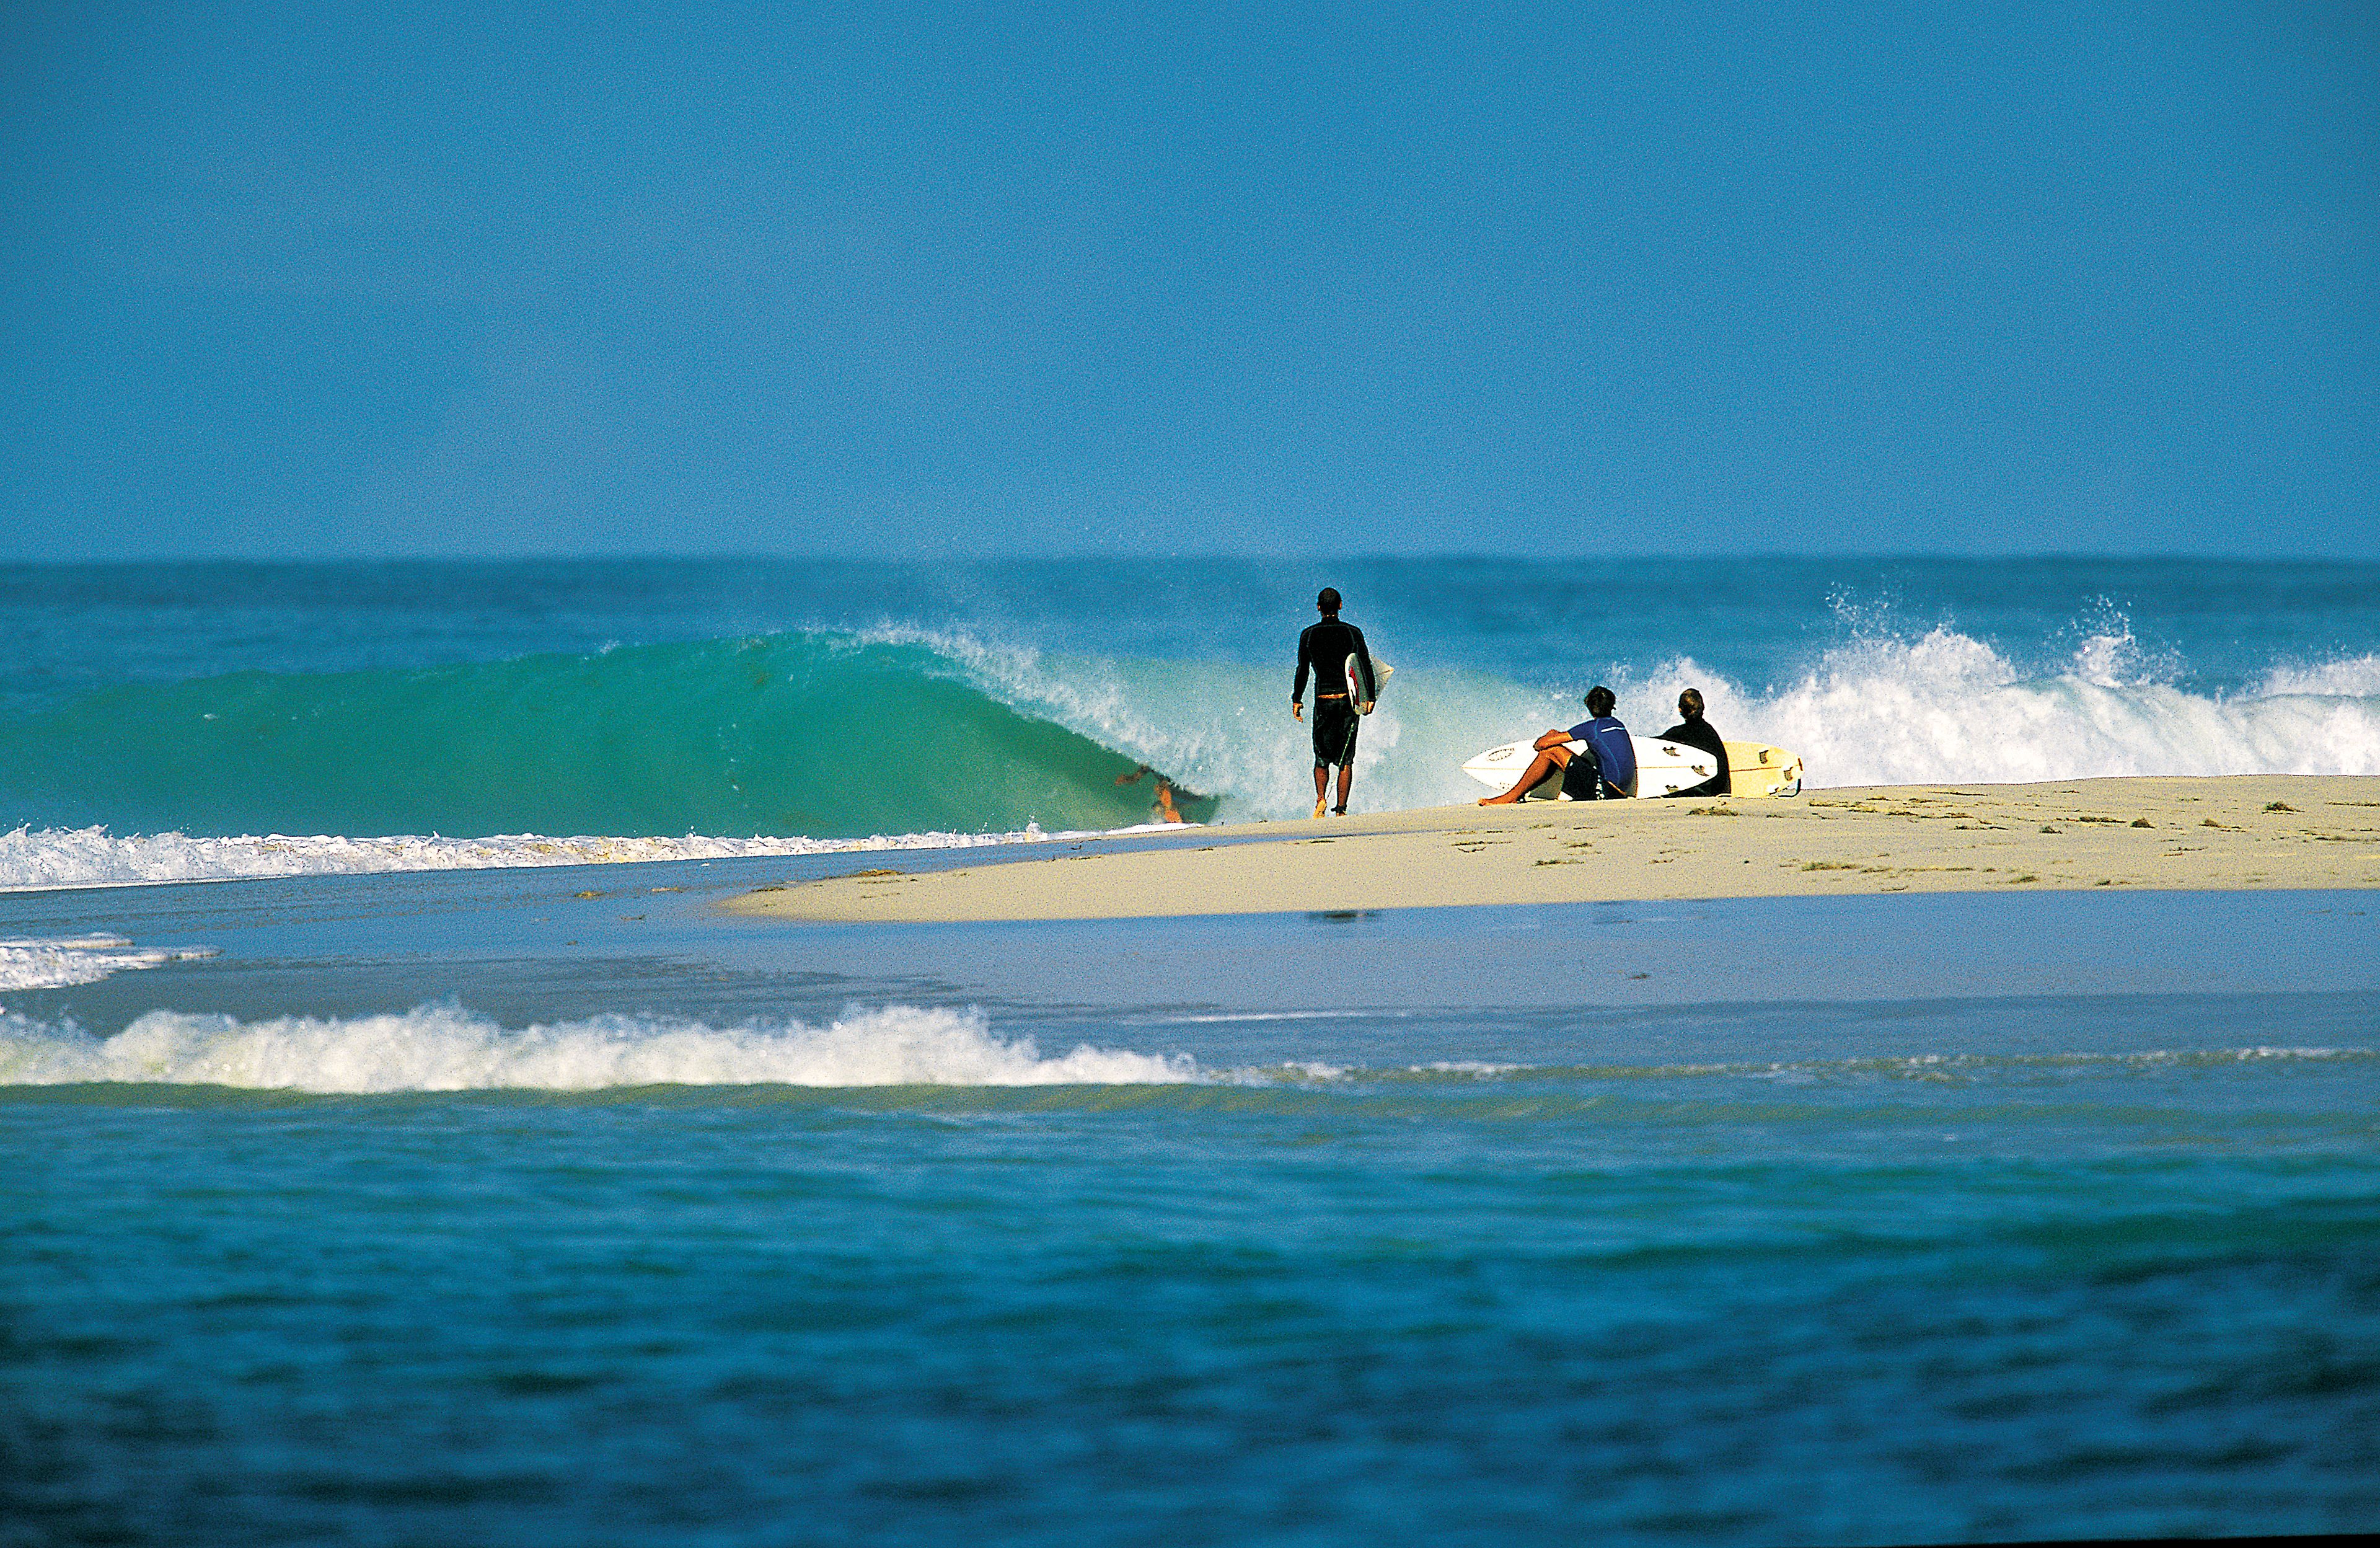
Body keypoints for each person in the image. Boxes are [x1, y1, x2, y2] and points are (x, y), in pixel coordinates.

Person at [1290, 586, 1378, 818]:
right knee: (1345, 759)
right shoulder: (1352, 633)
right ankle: (1341, 809)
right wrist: (1370, 697)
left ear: (1319, 607)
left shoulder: (1308, 635)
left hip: (1323, 700)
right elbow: (1365, 665)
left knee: (1321, 757)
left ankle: (1320, 800)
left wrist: (1297, 699)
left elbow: (1303, 670)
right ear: (1340, 605)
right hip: (1347, 701)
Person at [1477, 685, 1636, 805]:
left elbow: (1541, 745)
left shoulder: (1591, 728)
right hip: (1619, 793)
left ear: (1589, 707)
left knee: (1550, 751)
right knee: (1561, 751)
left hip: (1602, 792)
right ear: (1612, 706)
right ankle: (1520, 793)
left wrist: (1551, 735)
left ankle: (1511, 797)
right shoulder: (1619, 725)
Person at [1654, 688, 1730, 798]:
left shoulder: (1677, 734)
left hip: (1702, 793)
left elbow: (1655, 746)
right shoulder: (1711, 733)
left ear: (1680, 710)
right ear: (1703, 707)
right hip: (1719, 789)